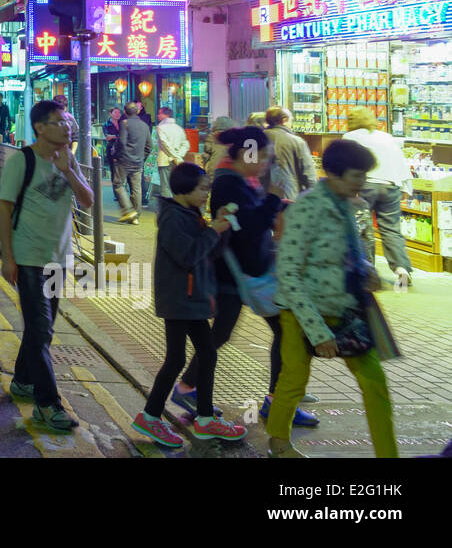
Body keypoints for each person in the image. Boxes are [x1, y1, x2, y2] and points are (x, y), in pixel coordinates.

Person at [170, 127, 319, 428]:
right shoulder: (229, 184)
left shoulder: (240, 180)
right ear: (245, 153)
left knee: (243, 332)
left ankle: (192, 388)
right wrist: (274, 199)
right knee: (271, 331)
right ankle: (273, 401)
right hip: (237, 274)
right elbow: (248, 228)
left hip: (244, 273)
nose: (265, 162)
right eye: (261, 156)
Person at [269, 139, 395, 458]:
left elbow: (348, 256)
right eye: (356, 175)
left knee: (375, 384)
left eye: (364, 175)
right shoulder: (307, 208)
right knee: (294, 381)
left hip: (346, 310)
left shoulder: (351, 205)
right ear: (335, 174)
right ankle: (279, 443)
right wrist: (318, 331)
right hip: (302, 313)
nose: (362, 182)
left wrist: (366, 269)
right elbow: (288, 273)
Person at [0, 99, 95, 433]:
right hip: (28, 257)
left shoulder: (68, 160)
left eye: (68, 120)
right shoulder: (21, 162)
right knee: (40, 330)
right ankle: (47, 404)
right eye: (60, 121)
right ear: (40, 127)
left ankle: (23, 379)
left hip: (59, 258)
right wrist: (7, 258)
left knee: (44, 327)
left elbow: (88, 201)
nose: (68, 126)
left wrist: (69, 169)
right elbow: (5, 210)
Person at [132, 163, 246, 447]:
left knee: (207, 354)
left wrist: (221, 227)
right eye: (203, 189)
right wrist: (213, 231)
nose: (207, 194)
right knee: (177, 359)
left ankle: (205, 419)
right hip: (179, 299)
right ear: (184, 189)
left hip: (192, 299)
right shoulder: (172, 217)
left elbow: (211, 253)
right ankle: (151, 416)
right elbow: (188, 255)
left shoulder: (191, 214)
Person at [342, 107, 413, 287]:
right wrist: (406, 188)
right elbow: (402, 163)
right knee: (391, 230)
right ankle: (402, 271)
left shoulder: (350, 137)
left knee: (363, 229)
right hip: (391, 185)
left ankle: (366, 271)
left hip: (366, 185)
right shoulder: (387, 137)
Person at [265, 107, 316, 197]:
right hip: (288, 197)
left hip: (262, 198)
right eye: (291, 120)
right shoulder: (297, 141)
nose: (292, 123)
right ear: (284, 120)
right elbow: (309, 176)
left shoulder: (259, 138)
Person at [114, 103, 151, 224]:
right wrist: (142, 157)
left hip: (124, 161)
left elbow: (121, 142)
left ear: (125, 112)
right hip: (138, 161)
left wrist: (117, 156)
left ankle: (128, 210)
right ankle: (136, 216)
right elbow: (149, 146)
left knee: (118, 184)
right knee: (136, 188)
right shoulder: (145, 126)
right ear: (138, 111)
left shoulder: (125, 124)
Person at [155, 107, 190, 200]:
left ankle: (167, 207)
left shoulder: (160, 127)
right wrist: (179, 156)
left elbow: (164, 144)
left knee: (165, 185)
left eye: (160, 113)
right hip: (178, 161)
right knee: (174, 184)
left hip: (165, 160)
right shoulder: (179, 128)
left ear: (166, 115)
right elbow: (186, 144)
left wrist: (174, 156)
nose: (158, 115)